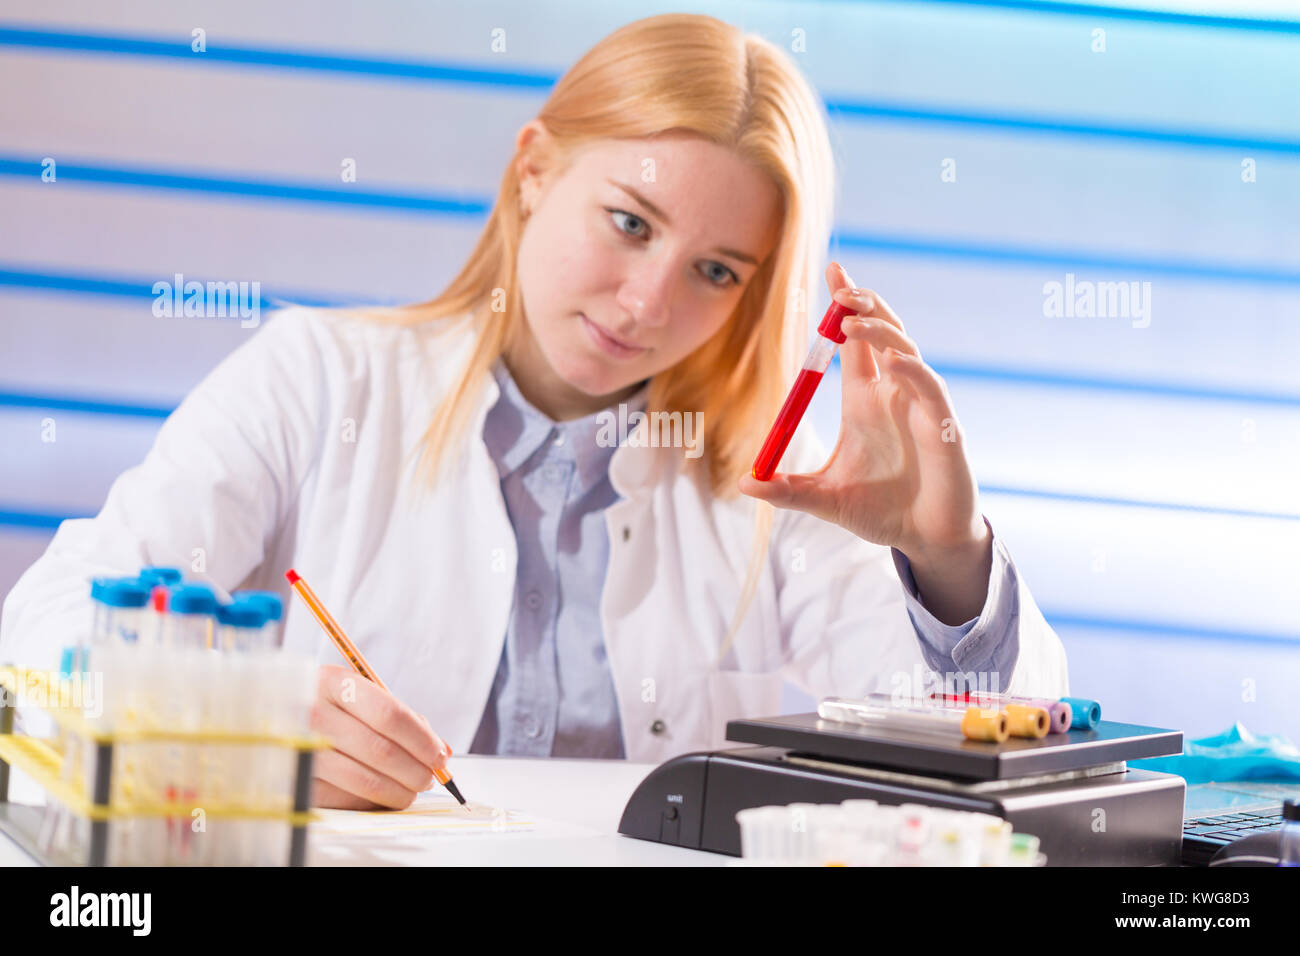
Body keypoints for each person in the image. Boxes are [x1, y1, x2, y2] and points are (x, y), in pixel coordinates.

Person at [0, 13, 1067, 810]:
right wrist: (240, 716)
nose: (649, 303)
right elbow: (35, 643)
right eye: (626, 220)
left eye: (716, 269)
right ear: (530, 173)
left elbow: (983, 757)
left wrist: (946, 561)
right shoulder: (317, 380)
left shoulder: (772, 477)